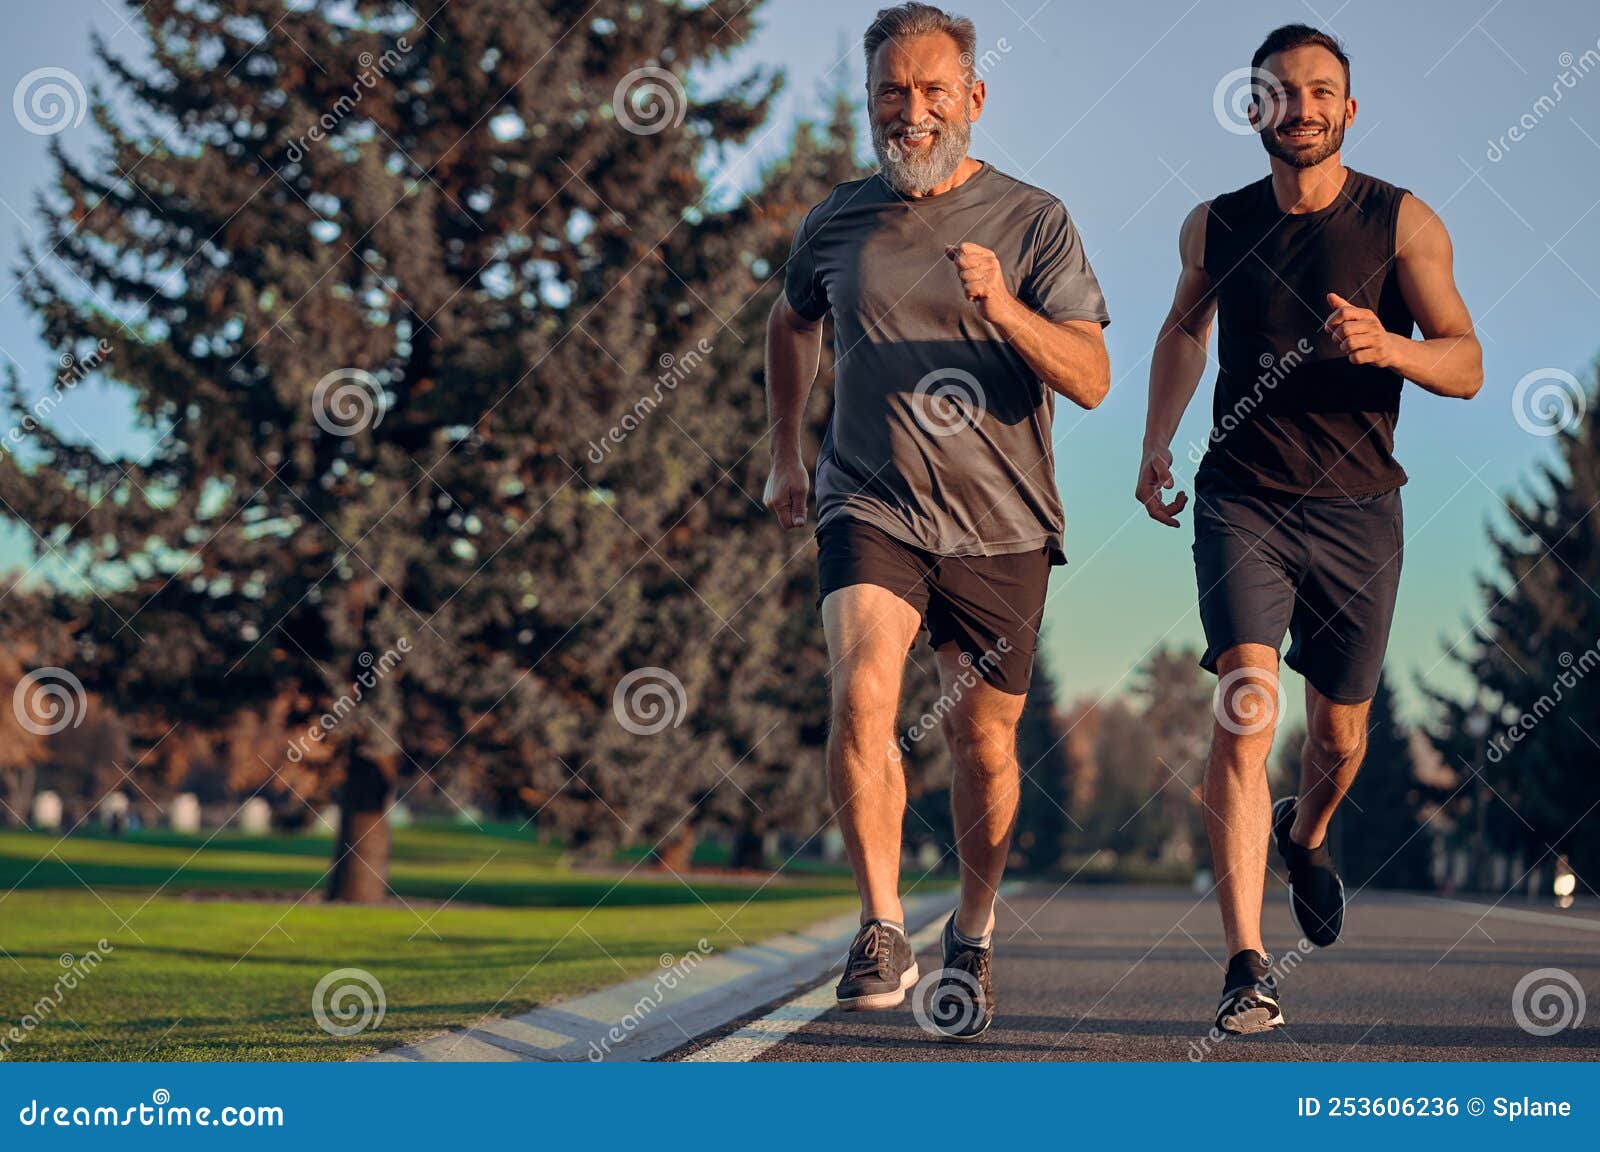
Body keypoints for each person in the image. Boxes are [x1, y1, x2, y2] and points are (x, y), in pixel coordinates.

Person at [762, 2, 1110, 1040]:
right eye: (890, 93)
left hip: (1003, 523)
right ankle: (876, 922)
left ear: (973, 98)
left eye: (930, 92)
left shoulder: (1034, 220)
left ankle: (972, 926)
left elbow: (1091, 378)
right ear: (871, 102)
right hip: (871, 503)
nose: (910, 113)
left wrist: (1004, 308)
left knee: (982, 744)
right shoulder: (835, 221)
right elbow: (790, 322)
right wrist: (788, 448)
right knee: (863, 694)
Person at [1136, 24, 1482, 1034]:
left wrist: (1390, 348)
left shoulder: (1401, 221)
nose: (1300, 108)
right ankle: (1246, 962)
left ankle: (1309, 833)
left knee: (1337, 733)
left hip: (1360, 510)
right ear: (1254, 108)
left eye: (1319, 91)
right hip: (1241, 493)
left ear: (1348, 108)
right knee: (1246, 706)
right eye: (1279, 93)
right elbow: (1180, 328)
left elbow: (1466, 361)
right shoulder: (1216, 223)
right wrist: (1157, 439)